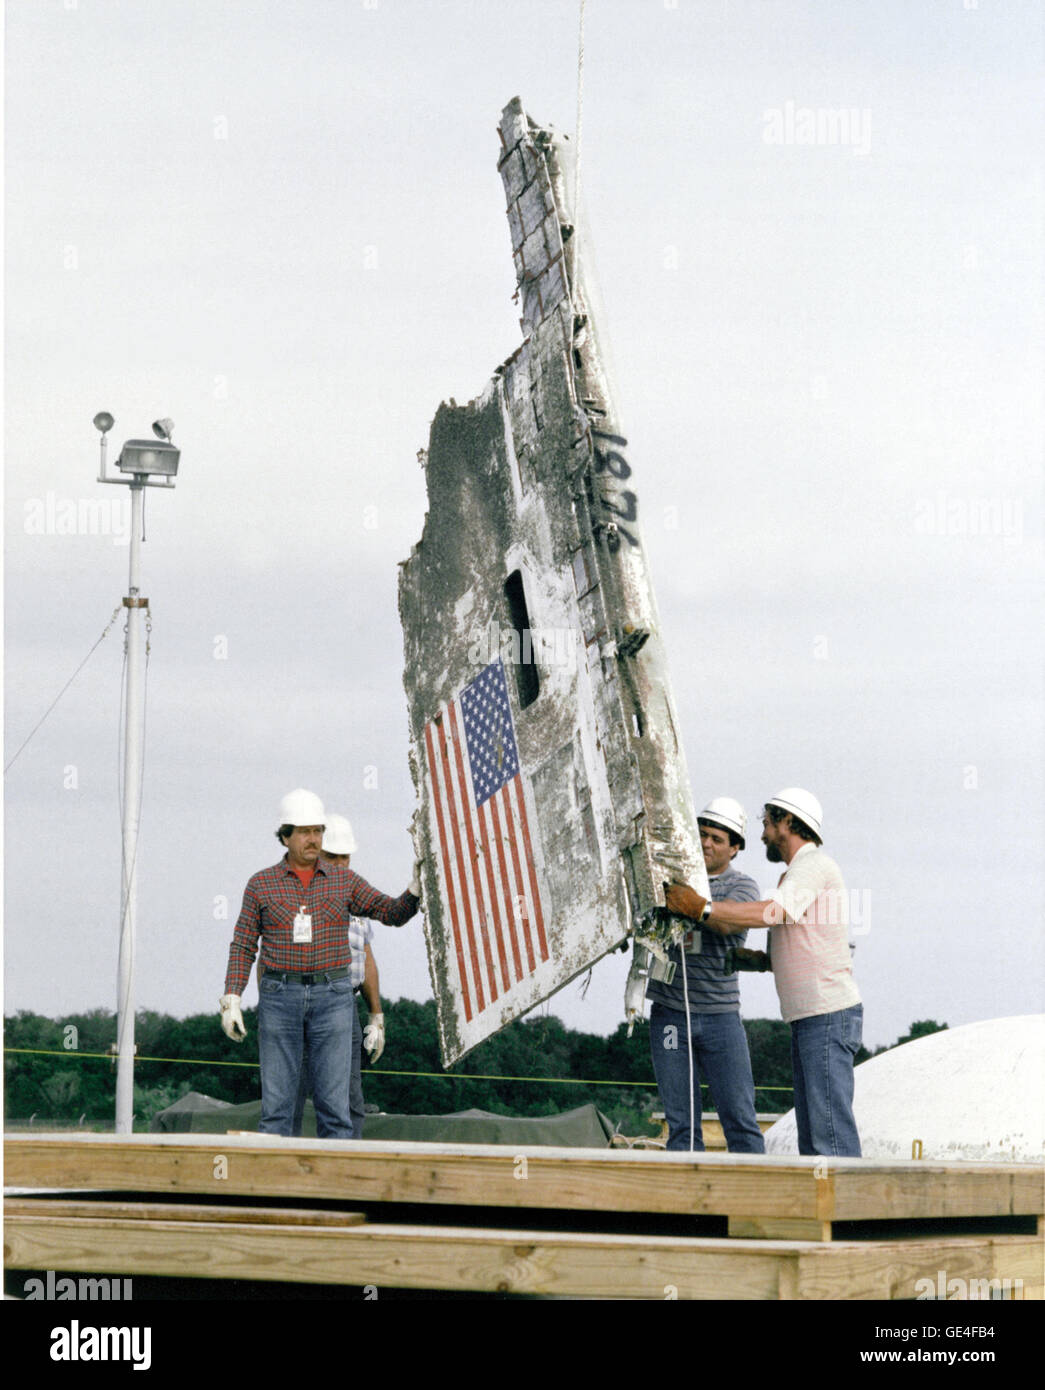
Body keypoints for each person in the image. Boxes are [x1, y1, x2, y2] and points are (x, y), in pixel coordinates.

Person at [666, 787, 862, 1158]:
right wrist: (753, 959)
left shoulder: (813, 866)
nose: (762, 834)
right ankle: (828, 1212)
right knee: (816, 1133)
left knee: (828, 1136)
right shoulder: (796, 874)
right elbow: (788, 948)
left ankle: (847, 1214)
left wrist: (701, 909)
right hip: (811, 1018)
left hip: (826, 1016)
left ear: (788, 822)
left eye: (767, 824)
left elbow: (773, 913)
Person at [219, 788, 418, 1139]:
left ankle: (332, 1193)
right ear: (285, 836)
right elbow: (243, 943)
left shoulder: (344, 881)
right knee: (277, 1110)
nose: (313, 839)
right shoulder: (260, 885)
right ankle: (276, 1193)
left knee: (335, 1110)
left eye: (318, 831)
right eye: (304, 832)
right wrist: (232, 997)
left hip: (334, 997)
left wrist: (415, 890)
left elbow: (390, 912)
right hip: (280, 997)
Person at [647, 797, 765, 1153]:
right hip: (670, 1019)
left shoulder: (742, 887)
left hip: (720, 1020)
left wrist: (696, 907)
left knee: (740, 1118)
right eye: (702, 834)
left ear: (735, 848)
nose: (707, 844)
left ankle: (754, 1201)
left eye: (716, 838)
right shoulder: (668, 878)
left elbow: (730, 925)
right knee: (681, 1122)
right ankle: (687, 1206)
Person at [289, 814, 385, 1139]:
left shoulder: (356, 899)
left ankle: (346, 1168)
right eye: (334, 856)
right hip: (307, 1004)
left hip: (347, 1004)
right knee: (294, 1094)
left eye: (346, 856)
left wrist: (376, 1016)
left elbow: (366, 958)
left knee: (350, 1098)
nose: (342, 863)